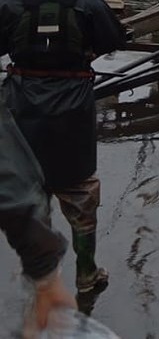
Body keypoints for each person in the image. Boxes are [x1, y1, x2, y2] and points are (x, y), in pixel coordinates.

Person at [0, 0, 128, 295]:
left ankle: (41, 279)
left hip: (23, 107)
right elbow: (111, 39)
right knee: (79, 191)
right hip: (72, 109)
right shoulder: (87, 0)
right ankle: (86, 274)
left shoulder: (9, 0)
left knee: (29, 187)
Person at [0, 100, 76, 334]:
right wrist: (45, 275)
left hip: (25, 99)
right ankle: (88, 273)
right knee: (79, 192)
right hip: (66, 107)